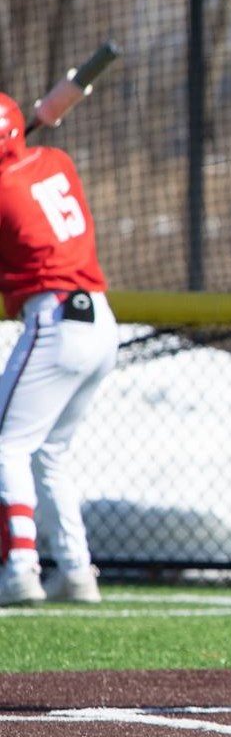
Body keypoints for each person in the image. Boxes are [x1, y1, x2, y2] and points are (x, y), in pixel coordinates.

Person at [0, 91, 118, 606]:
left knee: (6, 446)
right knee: (49, 454)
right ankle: (75, 572)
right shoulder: (56, 160)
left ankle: (19, 570)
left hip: (54, 322)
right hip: (100, 322)